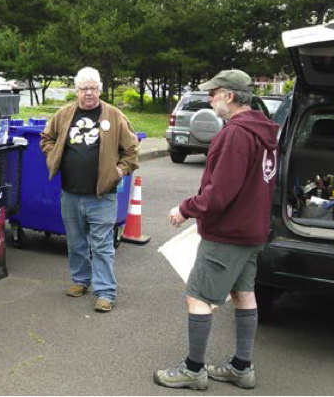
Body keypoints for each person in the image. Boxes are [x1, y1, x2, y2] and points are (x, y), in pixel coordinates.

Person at [154, 69, 278, 391]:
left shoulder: (235, 134)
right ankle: (241, 366)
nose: (209, 99)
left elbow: (219, 194)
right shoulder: (265, 132)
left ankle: (194, 370)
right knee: (242, 294)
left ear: (230, 96)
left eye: (214, 93)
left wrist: (184, 209)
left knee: (198, 297)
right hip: (252, 233)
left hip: (227, 234)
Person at [39, 66, 139, 312]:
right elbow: (46, 137)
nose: (88, 93)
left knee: (102, 245)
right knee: (75, 242)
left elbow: (132, 150)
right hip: (70, 193)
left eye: (93, 88)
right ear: (76, 91)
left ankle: (105, 292)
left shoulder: (114, 116)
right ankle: (80, 280)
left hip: (102, 195)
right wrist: (52, 155)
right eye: (84, 89)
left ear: (100, 90)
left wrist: (120, 170)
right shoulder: (64, 114)